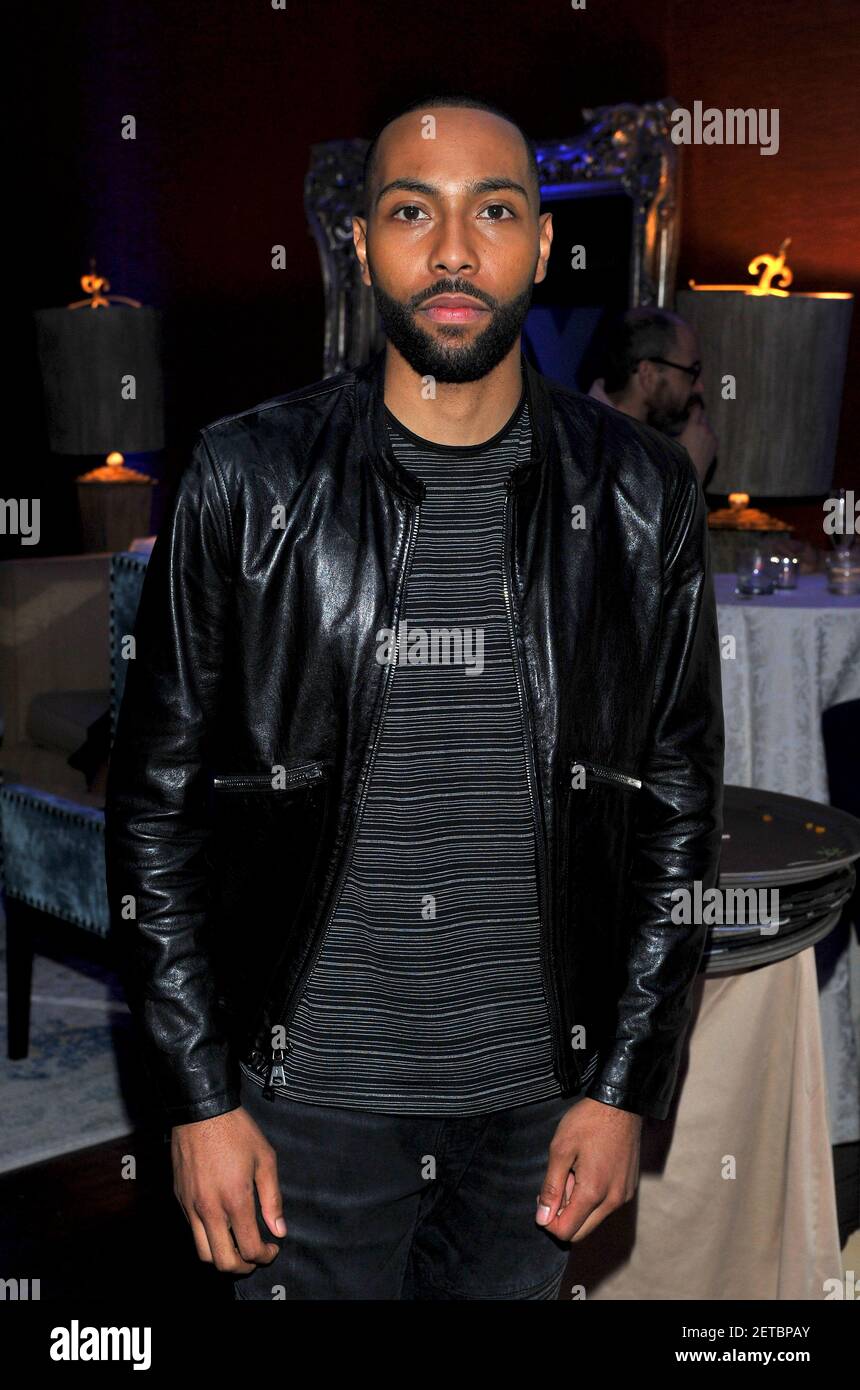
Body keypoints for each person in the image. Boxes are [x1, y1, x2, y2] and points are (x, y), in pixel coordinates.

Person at [104, 93, 725, 1301]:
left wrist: (622, 1086)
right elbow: (154, 809)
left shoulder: (642, 495)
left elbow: (675, 811)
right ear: (360, 245)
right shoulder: (245, 475)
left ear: (541, 246)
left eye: (493, 210)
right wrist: (196, 1096)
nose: (452, 251)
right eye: (410, 212)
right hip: (307, 1103)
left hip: (540, 1103)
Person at [588, 307, 719, 488]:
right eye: (691, 372)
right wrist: (689, 473)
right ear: (648, 375)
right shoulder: (589, 447)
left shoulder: (648, 437)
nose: (699, 387)